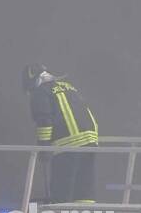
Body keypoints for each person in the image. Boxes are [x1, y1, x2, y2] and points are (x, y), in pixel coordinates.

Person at [23, 64, 99, 203]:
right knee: (83, 192)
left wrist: (44, 148)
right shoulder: (67, 86)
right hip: (91, 142)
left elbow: (44, 120)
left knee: (61, 191)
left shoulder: (40, 92)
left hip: (68, 145)